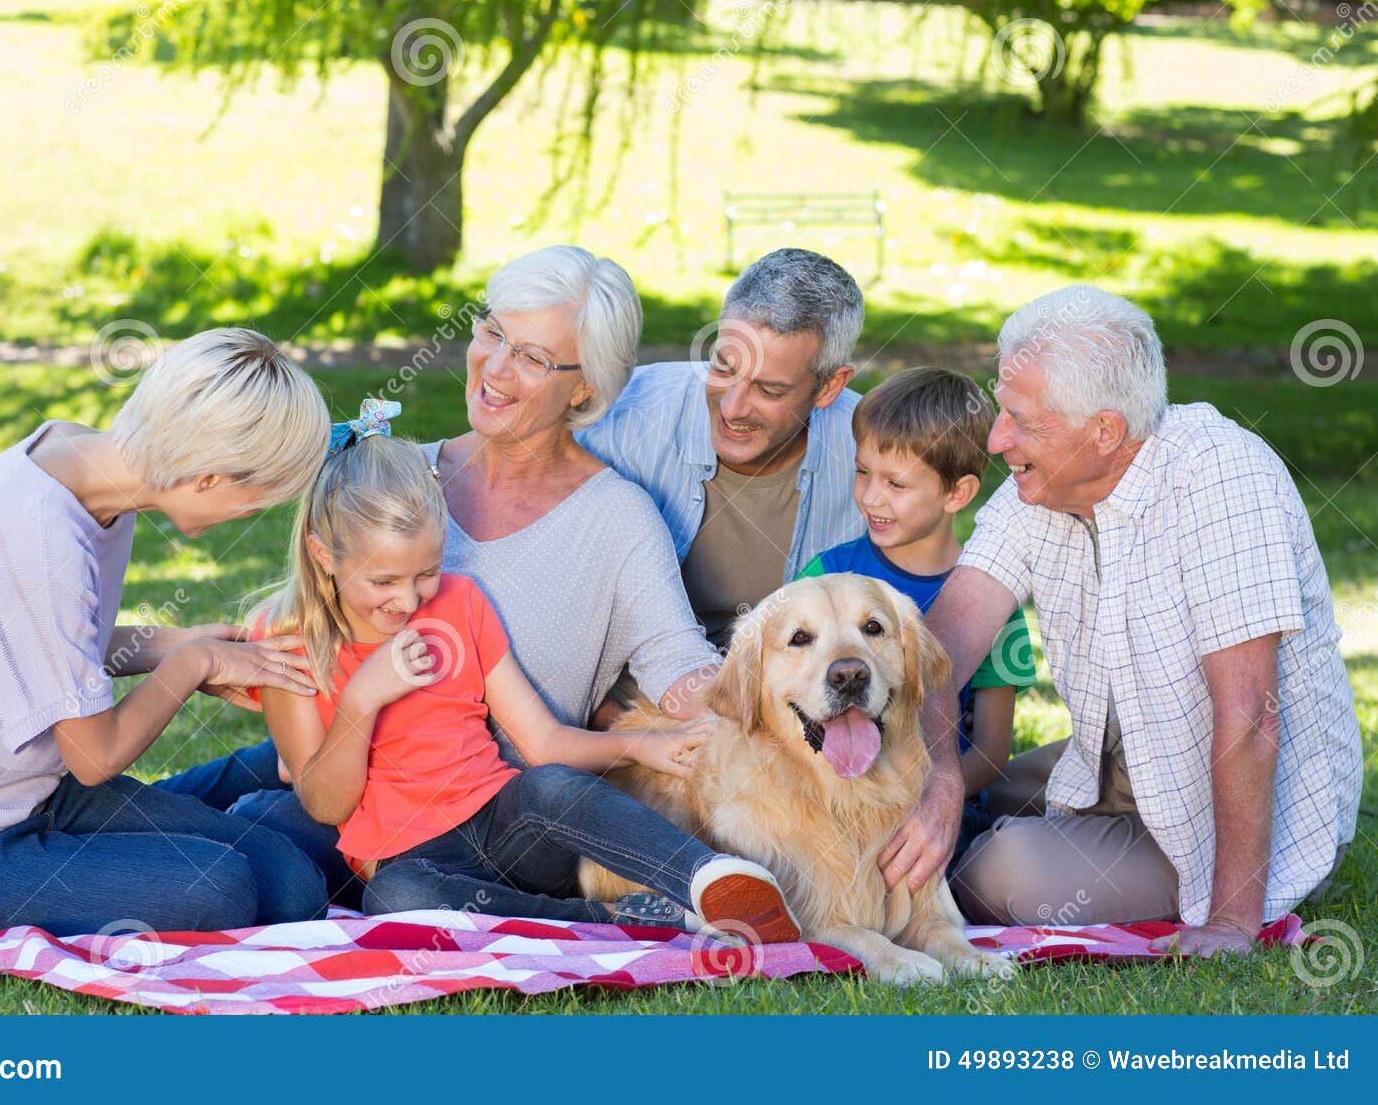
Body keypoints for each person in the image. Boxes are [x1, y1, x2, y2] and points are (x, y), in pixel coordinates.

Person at [0, 329, 335, 941]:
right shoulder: (36, 537)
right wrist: (189, 665)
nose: (252, 516)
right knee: (222, 888)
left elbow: (55, 644)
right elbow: (92, 757)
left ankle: (217, 804)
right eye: (256, 499)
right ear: (207, 477)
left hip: (29, 795)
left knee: (292, 887)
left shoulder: (86, 471)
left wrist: (180, 642)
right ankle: (219, 804)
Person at [913, 286, 1360, 955]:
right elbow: (938, 646)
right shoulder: (1044, 478)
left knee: (995, 871)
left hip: (1217, 812)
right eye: (1001, 410)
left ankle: (1193, 886)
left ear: (1106, 431)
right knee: (977, 786)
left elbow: (1251, 714)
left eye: (1021, 421)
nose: (997, 438)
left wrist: (1232, 922)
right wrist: (942, 777)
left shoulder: (1221, 476)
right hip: (1114, 766)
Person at [241, 413, 804, 942]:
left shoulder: (459, 603)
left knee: (548, 782)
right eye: (384, 580)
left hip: (504, 824)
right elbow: (324, 806)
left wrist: (641, 746)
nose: (409, 599)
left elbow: (541, 741)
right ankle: (608, 919)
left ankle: (712, 882)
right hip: (410, 863)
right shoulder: (288, 642)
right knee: (392, 900)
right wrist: (363, 696)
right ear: (323, 555)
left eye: (427, 573)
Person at [421, 245, 720, 733]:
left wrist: (800, 693)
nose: (495, 368)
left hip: (514, 801)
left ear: (585, 387)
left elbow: (678, 662)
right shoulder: (399, 475)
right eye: (493, 332)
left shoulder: (618, 519)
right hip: (358, 783)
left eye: (532, 358)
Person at [792, 367, 1036, 860]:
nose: (871, 497)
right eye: (864, 473)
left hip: (938, 810)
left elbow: (991, 746)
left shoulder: (993, 599)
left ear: (958, 494)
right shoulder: (826, 574)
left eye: (895, 484)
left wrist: (925, 800)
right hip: (823, 795)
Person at [579, 247, 866, 652]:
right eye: (722, 368)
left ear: (830, 386)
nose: (732, 408)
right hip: (634, 690)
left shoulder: (873, 451)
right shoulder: (619, 419)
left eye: (769, 390)